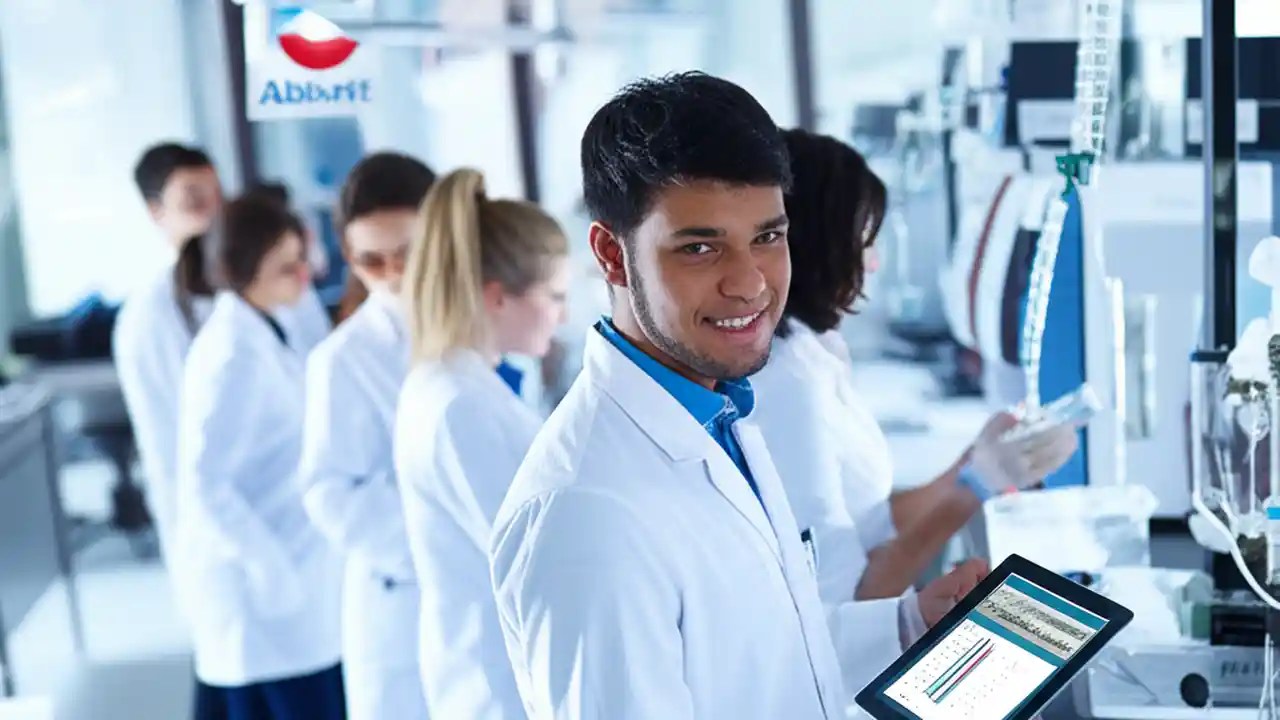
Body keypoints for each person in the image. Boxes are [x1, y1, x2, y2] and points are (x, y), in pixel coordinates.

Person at [491, 71, 963, 720]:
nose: (750, 284)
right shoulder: (586, 514)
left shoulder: (721, 414)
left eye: (768, 237)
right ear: (611, 255)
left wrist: (908, 624)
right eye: (700, 247)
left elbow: (761, 650)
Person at [748, 129, 1079, 698]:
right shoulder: (786, 384)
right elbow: (855, 596)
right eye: (863, 241)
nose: (873, 262)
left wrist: (973, 465)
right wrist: (972, 490)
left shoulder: (812, 352)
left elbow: (869, 519)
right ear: (822, 242)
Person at [394, 167, 569, 718]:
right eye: (553, 296)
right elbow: (531, 559)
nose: (562, 315)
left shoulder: (459, 383)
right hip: (494, 684)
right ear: (497, 297)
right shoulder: (460, 406)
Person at [176, 195, 344, 720]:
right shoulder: (234, 354)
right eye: (287, 267)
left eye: (302, 259)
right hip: (263, 594)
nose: (305, 275)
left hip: (291, 585)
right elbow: (205, 484)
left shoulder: (263, 325)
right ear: (243, 270)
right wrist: (272, 572)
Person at [298, 152, 436, 720]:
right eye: (371, 261)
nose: (394, 274)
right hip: (403, 599)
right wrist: (435, 542)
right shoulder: (344, 360)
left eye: (408, 253)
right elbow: (329, 491)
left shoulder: (494, 321)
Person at [113, 142, 225, 718]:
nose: (213, 212)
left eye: (217, 196)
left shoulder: (234, 290)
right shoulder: (151, 316)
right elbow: (181, 446)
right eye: (193, 201)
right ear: (157, 212)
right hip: (207, 526)